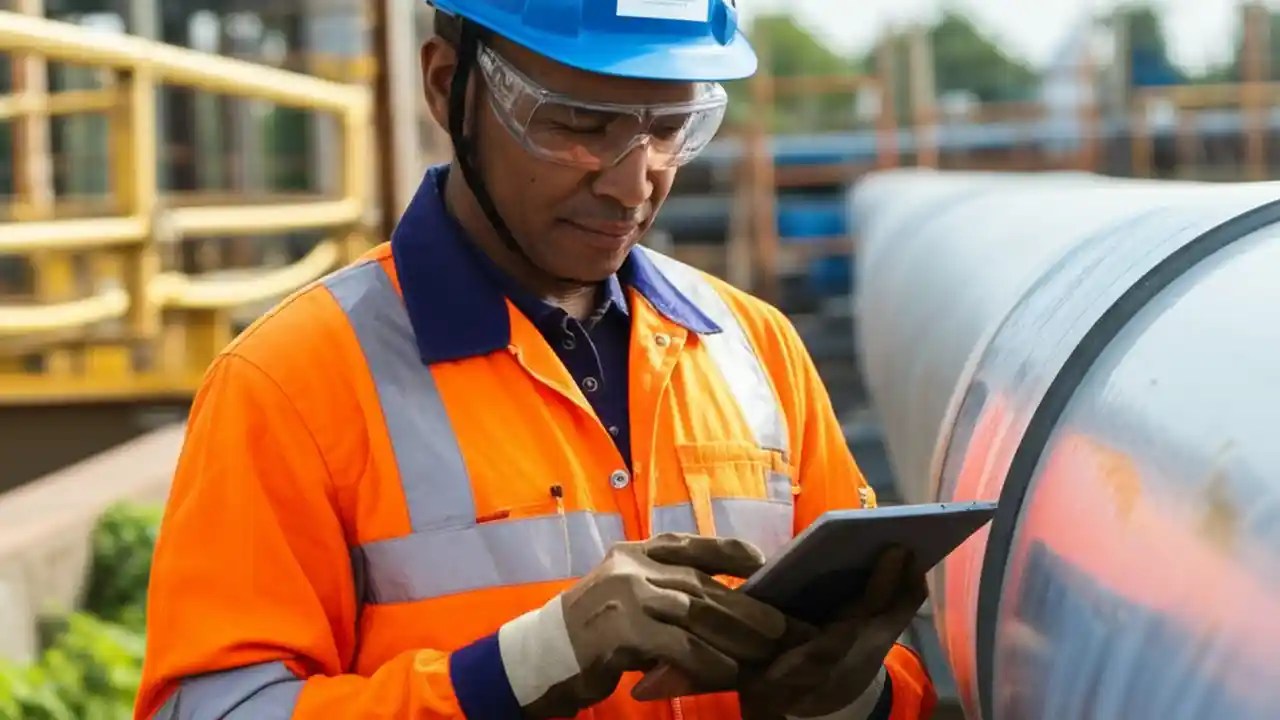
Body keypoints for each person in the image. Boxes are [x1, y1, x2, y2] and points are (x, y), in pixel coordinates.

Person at [132, 0, 937, 718]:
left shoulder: (755, 350)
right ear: (447, 84)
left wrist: (846, 696)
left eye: (668, 127)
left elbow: (896, 677)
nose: (633, 186)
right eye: (578, 125)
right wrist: (526, 666)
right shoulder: (292, 383)